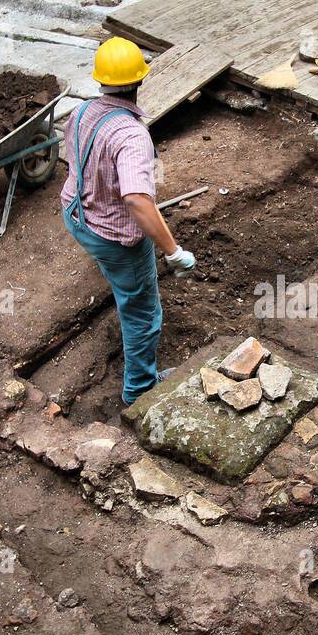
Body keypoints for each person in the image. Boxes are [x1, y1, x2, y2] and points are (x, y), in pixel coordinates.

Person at [60, 37, 196, 406]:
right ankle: (139, 390)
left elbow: (70, 155)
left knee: (119, 277)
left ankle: (113, 273)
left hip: (76, 214)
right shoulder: (133, 136)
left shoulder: (83, 111)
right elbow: (137, 200)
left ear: (100, 80)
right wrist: (173, 251)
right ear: (140, 80)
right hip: (112, 235)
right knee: (142, 313)